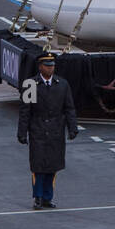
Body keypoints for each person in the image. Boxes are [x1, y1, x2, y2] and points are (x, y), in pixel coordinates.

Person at [17, 52, 78, 209]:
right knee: (38, 166)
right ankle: (37, 196)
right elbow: (25, 111)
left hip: (56, 130)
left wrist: (73, 128)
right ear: (40, 67)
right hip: (38, 129)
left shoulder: (62, 84)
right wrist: (22, 132)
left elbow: (69, 108)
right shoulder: (30, 84)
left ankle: (47, 197)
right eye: (47, 66)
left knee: (53, 165)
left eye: (52, 66)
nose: (50, 69)